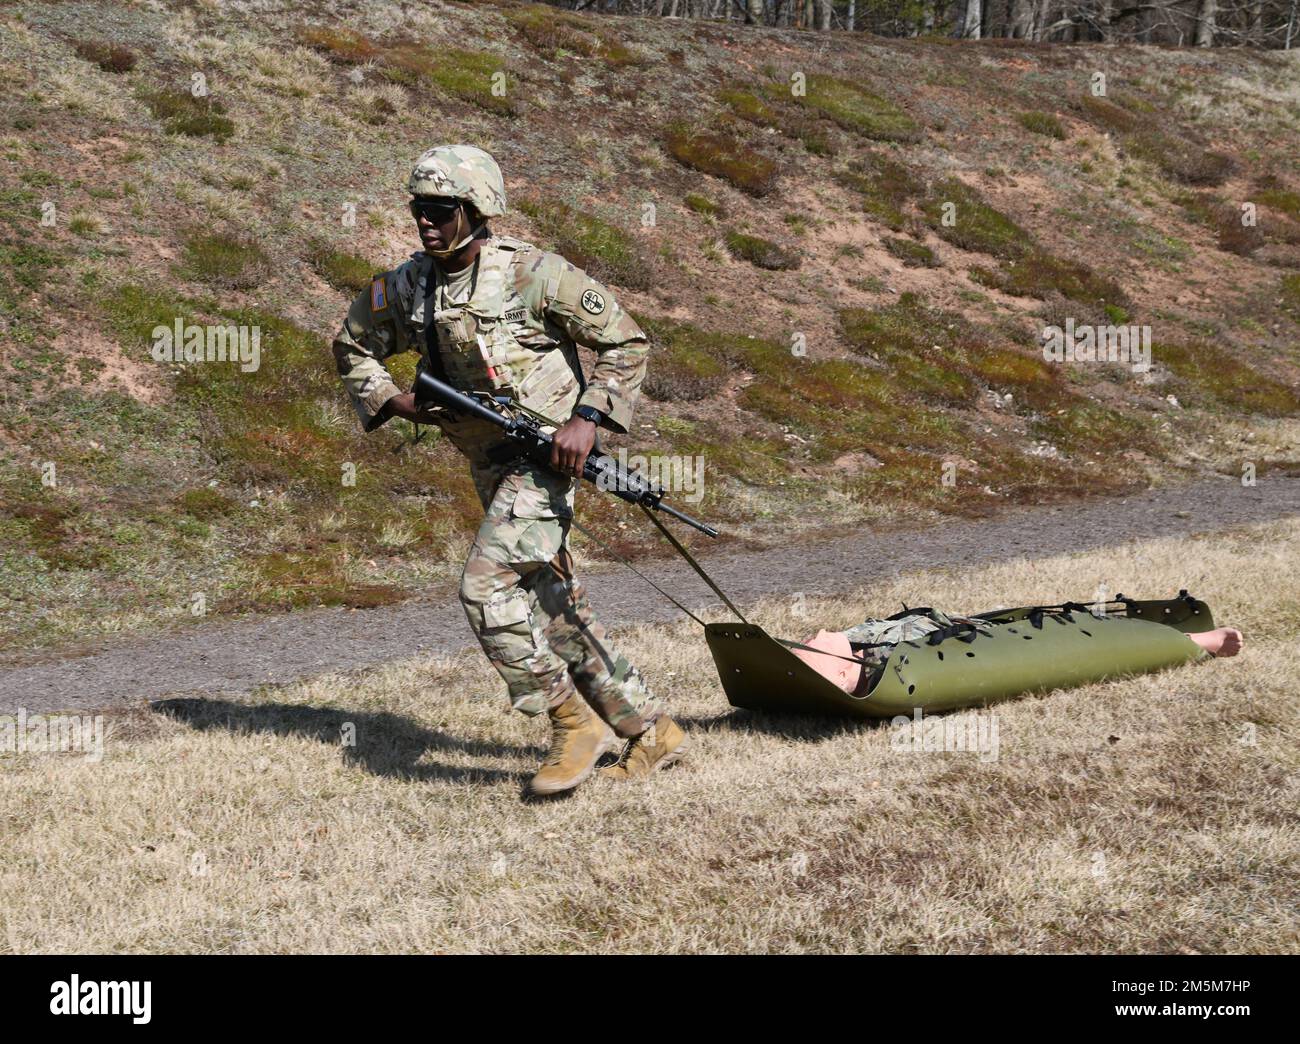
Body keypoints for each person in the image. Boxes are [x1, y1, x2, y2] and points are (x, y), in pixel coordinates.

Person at [332, 145, 686, 794]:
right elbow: (353, 342)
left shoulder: (536, 275)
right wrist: (397, 401)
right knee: (556, 604)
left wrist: (587, 421)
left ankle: (570, 721)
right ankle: (649, 730)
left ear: (477, 209)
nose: (426, 222)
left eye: (441, 210)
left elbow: (626, 340)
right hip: (488, 464)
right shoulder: (410, 285)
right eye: (419, 209)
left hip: (545, 463)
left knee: (485, 588)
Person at [792, 608, 1244, 696]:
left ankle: (1195, 642)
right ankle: (1197, 642)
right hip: (875, 653)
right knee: (834, 643)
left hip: (888, 644)